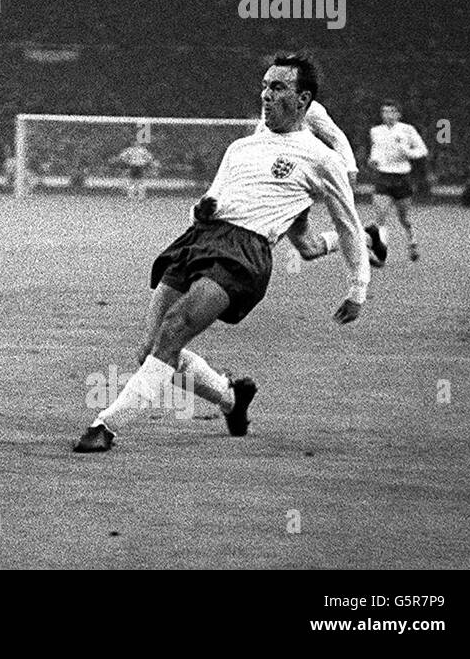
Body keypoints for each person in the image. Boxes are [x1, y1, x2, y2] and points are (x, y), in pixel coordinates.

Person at [73, 55, 370, 453]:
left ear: (303, 100)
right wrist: (202, 208)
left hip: (244, 254)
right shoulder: (239, 148)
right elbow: (209, 200)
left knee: (175, 327)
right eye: (265, 85)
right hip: (199, 240)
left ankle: (106, 425)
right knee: (151, 350)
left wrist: (358, 287)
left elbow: (349, 226)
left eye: (278, 87)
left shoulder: (321, 159)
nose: (266, 94)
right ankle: (232, 398)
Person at [257, 98, 388, 268]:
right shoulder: (270, 106)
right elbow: (260, 140)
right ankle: (367, 238)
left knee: (264, 234)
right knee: (309, 249)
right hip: (272, 182)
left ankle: (238, 283)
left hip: (294, 185)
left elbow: (336, 136)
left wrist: (350, 168)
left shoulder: (310, 109)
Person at [367, 100, 429, 262]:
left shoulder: (407, 130)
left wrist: (407, 152)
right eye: (384, 112)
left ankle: (412, 241)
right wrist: (373, 160)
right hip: (383, 177)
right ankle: (382, 252)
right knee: (380, 216)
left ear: (398, 114)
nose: (387, 115)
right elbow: (376, 149)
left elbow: (422, 150)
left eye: (391, 111)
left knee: (404, 218)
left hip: (402, 179)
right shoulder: (375, 131)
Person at [111, 132, 158, 201]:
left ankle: (131, 197)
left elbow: (122, 157)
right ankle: (140, 197)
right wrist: (146, 163)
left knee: (132, 182)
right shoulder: (143, 150)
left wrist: (127, 161)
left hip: (133, 166)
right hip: (140, 166)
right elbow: (149, 158)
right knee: (140, 182)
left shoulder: (130, 150)